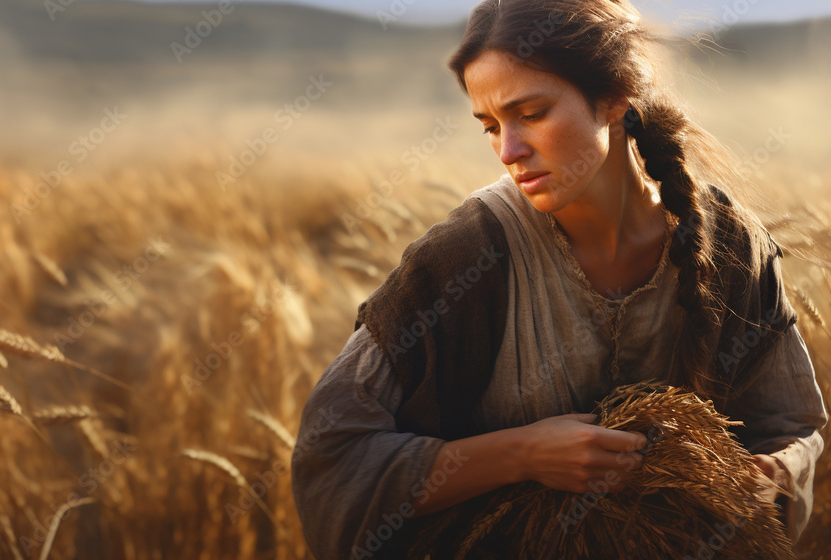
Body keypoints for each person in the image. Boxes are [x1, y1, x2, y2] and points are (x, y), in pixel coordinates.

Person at [290, 0, 827, 558]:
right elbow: (334, 455)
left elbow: (793, 425)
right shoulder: (466, 256)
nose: (508, 151)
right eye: (491, 126)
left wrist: (763, 478)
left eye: (533, 113)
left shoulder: (731, 244)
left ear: (615, 96)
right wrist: (522, 455)